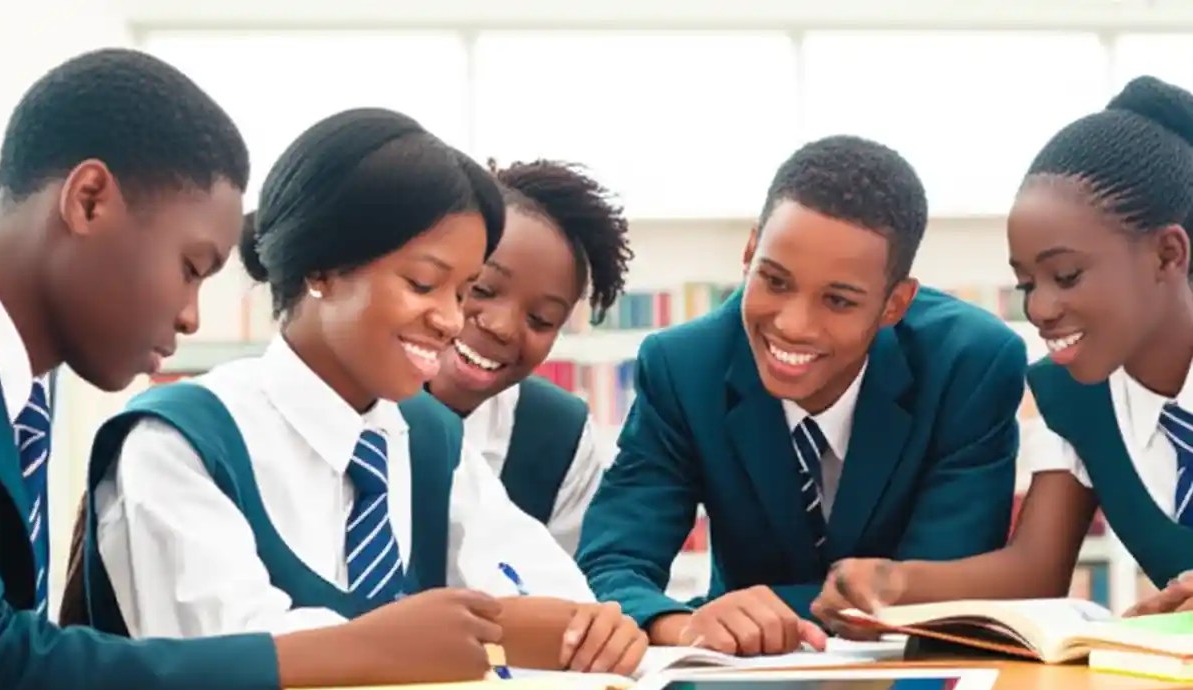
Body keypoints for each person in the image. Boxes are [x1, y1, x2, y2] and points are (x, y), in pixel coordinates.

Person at [0, 48, 507, 690]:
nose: (191, 316)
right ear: (88, 201)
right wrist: (359, 650)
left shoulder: (13, 386)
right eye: (191, 267)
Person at [67, 108, 647, 676]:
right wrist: (422, 642)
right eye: (424, 283)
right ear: (321, 267)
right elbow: (228, 657)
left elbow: (540, 588)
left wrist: (593, 629)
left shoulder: (425, 438)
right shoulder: (178, 442)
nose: (449, 320)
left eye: (464, 290)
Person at [576, 134, 1028, 657]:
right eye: (775, 280)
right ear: (749, 254)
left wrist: (755, 611)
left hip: (912, 676)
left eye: (838, 300)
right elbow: (609, 567)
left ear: (894, 304)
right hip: (742, 676)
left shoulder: (969, 364)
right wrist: (684, 625)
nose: (792, 324)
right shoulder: (684, 368)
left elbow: (941, 586)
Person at [811, 75, 1193, 631]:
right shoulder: (1072, 398)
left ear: (1167, 254)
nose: (1040, 309)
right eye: (1027, 284)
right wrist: (893, 584)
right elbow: (1035, 571)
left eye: (1065, 275)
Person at [425, 159, 633, 555]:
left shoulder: (557, 437)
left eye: (541, 320)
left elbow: (569, 596)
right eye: (483, 289)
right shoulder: (360, 398)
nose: (502, 327)